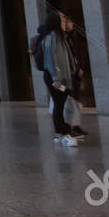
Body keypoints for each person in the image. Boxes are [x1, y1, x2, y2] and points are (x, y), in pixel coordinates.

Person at [36, 12, 88, 145]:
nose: (65, 23)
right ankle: (61, 133)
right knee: (58, 105)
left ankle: (62, 131)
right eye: (63, 21)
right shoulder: (52, 38)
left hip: (61, 77)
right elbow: (50, 60)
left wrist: (71, 71)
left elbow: (65, 58)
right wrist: (56, 79)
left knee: (60, 104)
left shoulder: (60, 37)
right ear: (56, 22)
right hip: (55, 78)